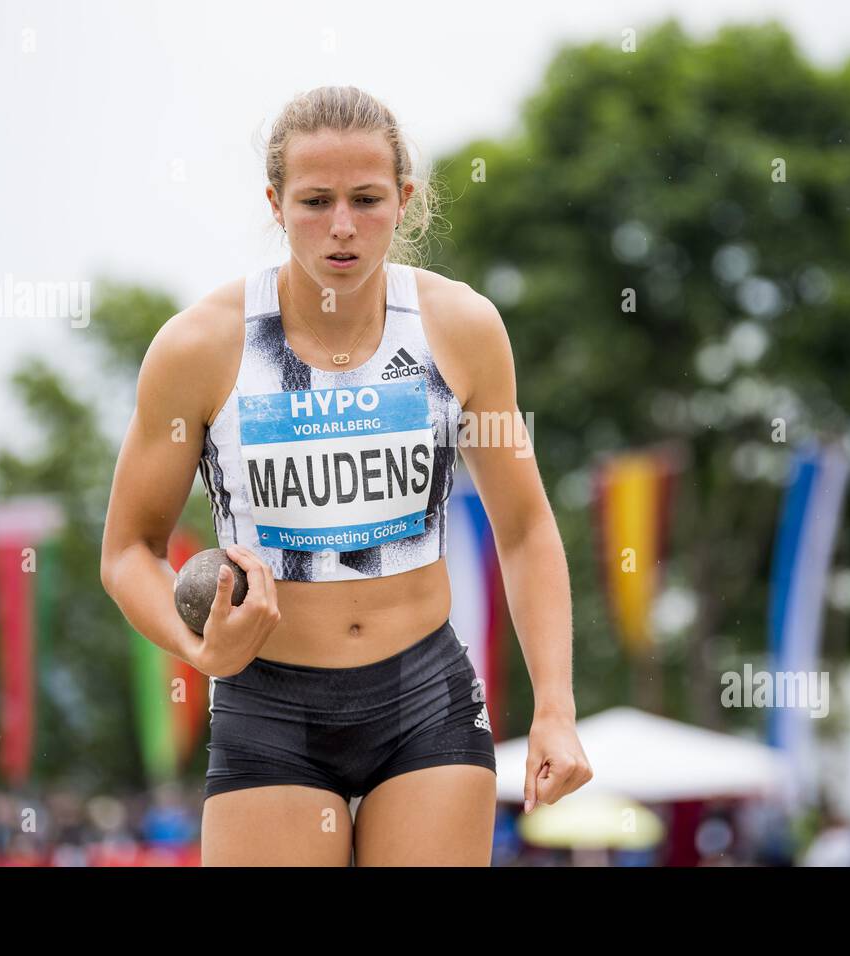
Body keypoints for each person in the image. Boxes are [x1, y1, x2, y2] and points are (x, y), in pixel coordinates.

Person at [100, 85, 590, 865]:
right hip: (269, 703)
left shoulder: (460, 328)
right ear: (275, 201)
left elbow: (526, 527)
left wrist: (556, 709)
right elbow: (127, 549)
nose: (341, 226)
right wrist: (201, 654)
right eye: (315, 200)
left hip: (425, 698)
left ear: (405, 200)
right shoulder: (200, 347)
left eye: (366, 199)